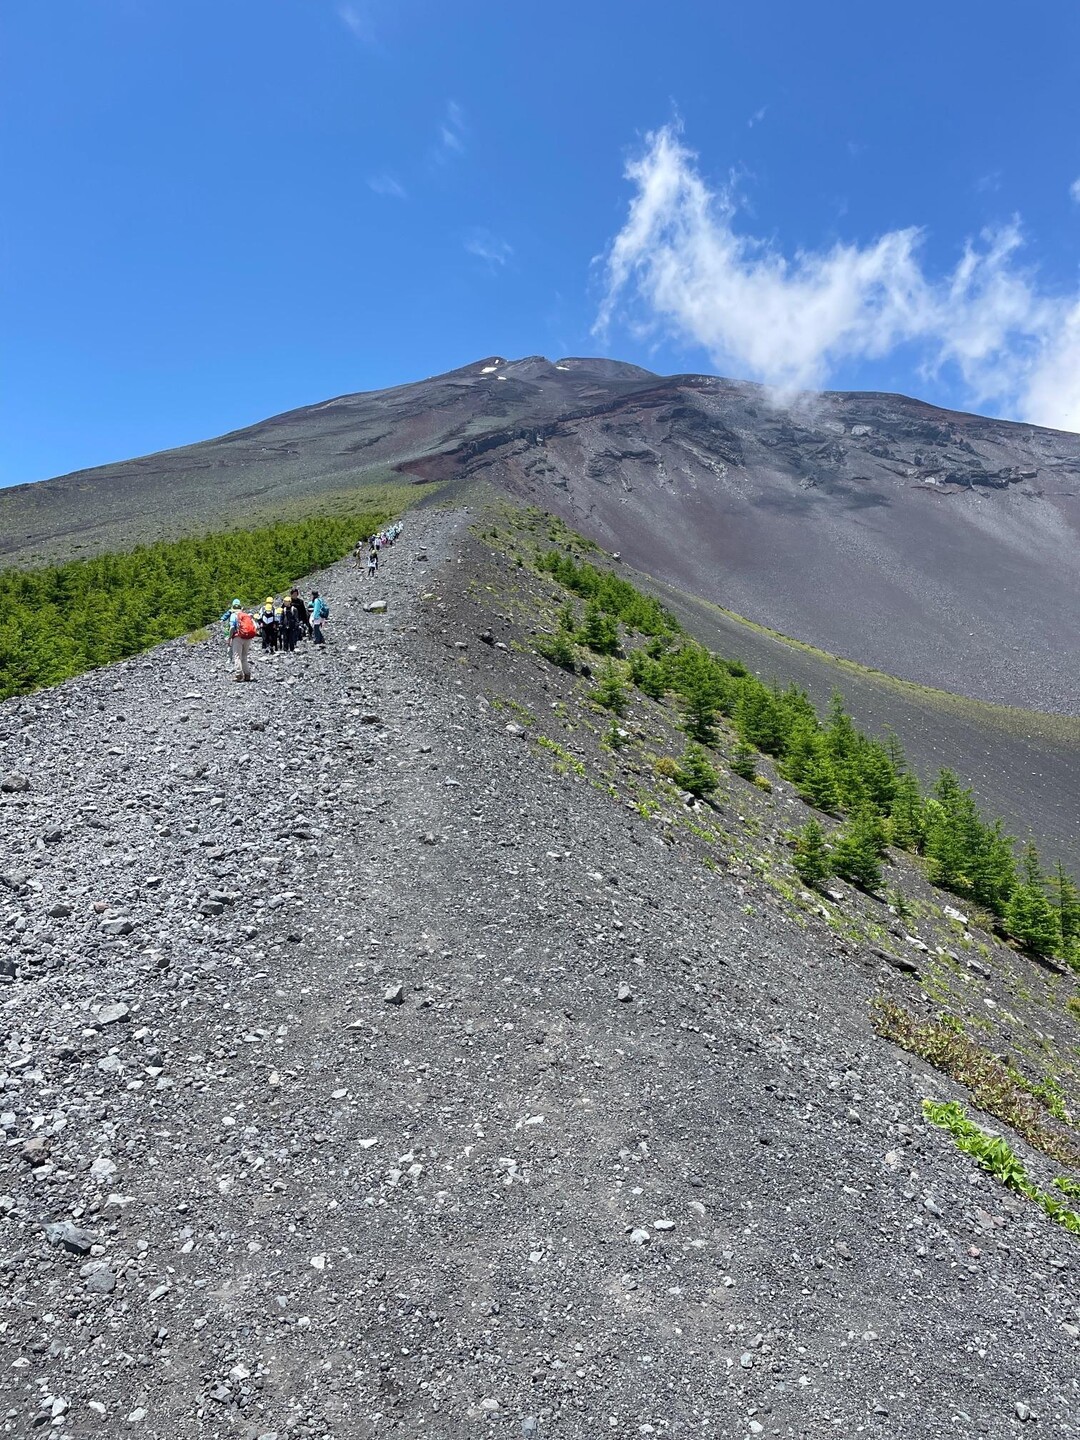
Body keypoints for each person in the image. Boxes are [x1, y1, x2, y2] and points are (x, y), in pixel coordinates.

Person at [225, 599, 255, 681]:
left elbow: (231, 627)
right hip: (247, 638)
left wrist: (230, 637)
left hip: (238, 637)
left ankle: (238, 674)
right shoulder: (245, 615)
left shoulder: (233, 615)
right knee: (244, 657)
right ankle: (247, 674)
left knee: (237, 656)